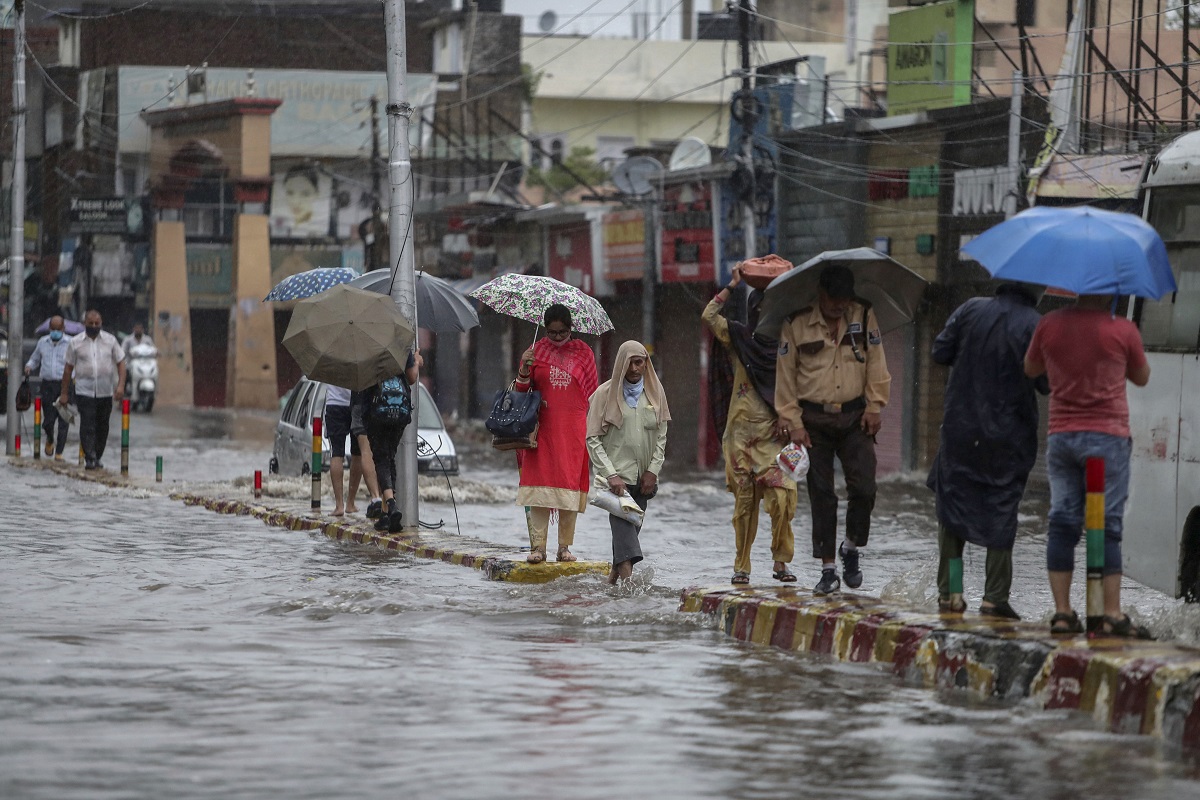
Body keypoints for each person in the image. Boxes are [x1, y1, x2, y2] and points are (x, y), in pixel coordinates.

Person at [1025, 294, 1153, 638]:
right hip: (1106, 440)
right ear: (1110, 292)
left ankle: (1063, 613)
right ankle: (1109, 612)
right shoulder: (1122, 329)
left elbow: (1031, 368)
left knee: (1063, 520)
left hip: (1062, 438)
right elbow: (1142, 377)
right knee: (1105, 523)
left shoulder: (1049, 324)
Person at [927, 284, 1047, 620]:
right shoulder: (1036, 325)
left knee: (952, 507)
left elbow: (940, 352)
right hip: (1009, 438)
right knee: (1002, 508)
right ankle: (994, 597)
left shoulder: (970, 309)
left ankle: (951, 593)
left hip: (961, 429)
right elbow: (1046, 383)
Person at [776, 265, 891, 595]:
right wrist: (792, 423)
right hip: (813, 423)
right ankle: (828, 569)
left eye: (844, 301)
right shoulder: (795, 323)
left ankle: (850, 548)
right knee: (823, 495)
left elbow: (877, 363)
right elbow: (785, 378)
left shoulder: (864, 315)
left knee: (865, 488)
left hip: (856, 416)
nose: (839, 307)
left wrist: (875, 405)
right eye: (833, 301)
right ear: (821, 295)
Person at [702, 263, 797, 585]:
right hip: (740, 439)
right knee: (744, 507)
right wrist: (732, 286)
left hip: (775, 436)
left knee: (784, 499)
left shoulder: (787, 347)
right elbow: (709, 317)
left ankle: (781, 563)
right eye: (761, 309)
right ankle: (741, 566)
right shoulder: (740, 337)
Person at [513, 304, 598, 564]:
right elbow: (520, 392)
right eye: (552, 333)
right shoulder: (534, 351)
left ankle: (564, 548)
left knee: (568, 488)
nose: (558, 338)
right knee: (539, 488)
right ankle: (538, 548)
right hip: (543, 430)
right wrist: (525, 370)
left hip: (573, 430)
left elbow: (593, 393)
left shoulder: (584, 353)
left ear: (571, 329)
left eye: (563, 333)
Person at [586, 340, 670, 584]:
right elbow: (592, 439)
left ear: (646, 363)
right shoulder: (603, 394)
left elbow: (662, 436)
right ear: (621, 363)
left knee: (627, 540)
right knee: (627, 542)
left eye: (639, 362)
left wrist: (653, 470)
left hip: (643, 481)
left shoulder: (656, 393)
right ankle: (630, 597)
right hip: (616, 484)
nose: (634, 368)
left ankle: (611, 584)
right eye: (630, 362)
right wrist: (611, 475)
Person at [356, 351, 421, 533]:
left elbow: (360, 381)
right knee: (390, 457)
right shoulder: (400, 344)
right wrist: (415, 361)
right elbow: (412, 378)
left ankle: (391, 505)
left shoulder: (367, 348)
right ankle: (386, 516)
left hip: (375, 410)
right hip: (399, 410)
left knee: (381, 459)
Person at [60, 310, 126, 470]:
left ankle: (98, 455)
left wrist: (121, 386)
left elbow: (121, 362)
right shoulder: (75, 342)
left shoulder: (110, 341)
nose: (94, 326)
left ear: (101, 323)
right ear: (85, 324)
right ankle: (89, 457)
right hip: (84, 391)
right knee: (87, 423)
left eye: (97, 324)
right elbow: (68, 369)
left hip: (105, 391)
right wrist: (64, 393)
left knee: (102, 425)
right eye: (91, 324)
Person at [325, 382, 379, 517]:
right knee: (359, 454)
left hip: (334, 403)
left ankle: (339, 506)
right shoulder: (358, 360)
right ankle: (350, 503)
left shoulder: (330, 359)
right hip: (357, 402)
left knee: (336, 454)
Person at [25, 315, 72, 460]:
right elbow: (35, 358)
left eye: (59, 329)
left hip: (65, 385)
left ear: (63, 328)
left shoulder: (71, 343)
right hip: (47, 384)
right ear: (49, 329)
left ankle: (59, 452)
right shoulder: (42, 342)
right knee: (48, 420)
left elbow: (76, 362)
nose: (56, 331)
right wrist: (29, 366)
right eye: (53, 329)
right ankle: (50, 439)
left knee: (64, 420)